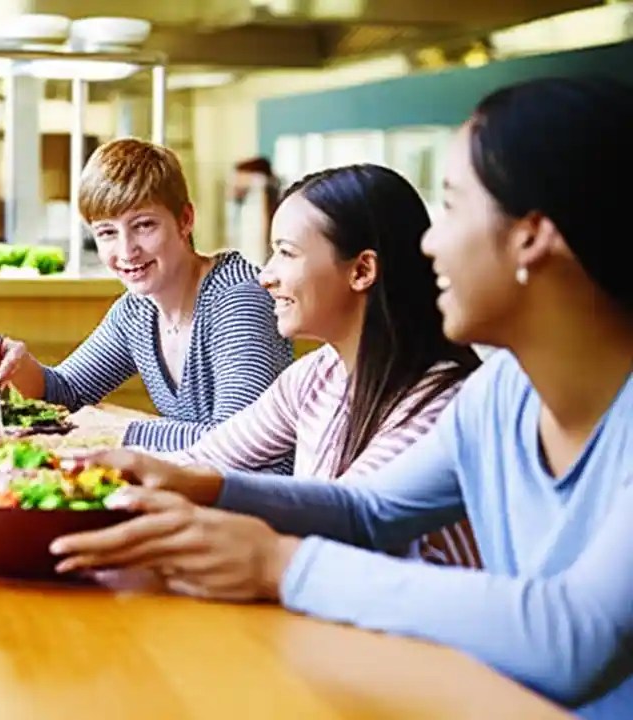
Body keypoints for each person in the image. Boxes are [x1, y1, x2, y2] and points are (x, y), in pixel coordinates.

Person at [50, 77, 633, 717]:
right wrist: (203, 487)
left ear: (532, 236)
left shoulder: (474, 394)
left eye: (454, 208)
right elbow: (368, 510)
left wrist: (277, 563)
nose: (429, 242)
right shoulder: (500, 394)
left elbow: (578, 636)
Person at [156, 164, 481, 566]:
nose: (265, 276)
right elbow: (204, 458)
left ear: (361, 270)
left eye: (286, 253)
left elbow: (346, 524)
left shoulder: (440, 403)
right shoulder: (317, 375)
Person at [0, 138, 293, 453]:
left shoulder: (238, 300)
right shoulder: (137, 311)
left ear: (185, 220)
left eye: (143, 226)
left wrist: (122, 429)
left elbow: (239, 444)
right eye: (107, 232)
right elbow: (67, 392)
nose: (127, 251)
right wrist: (18, 364)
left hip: (259, 503)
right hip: (190, 495)